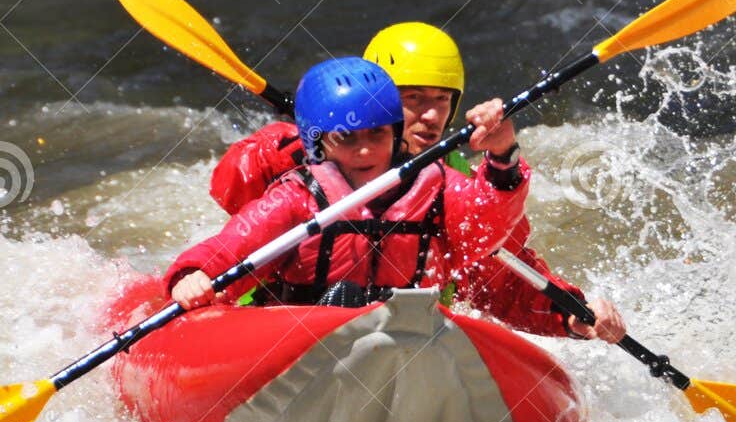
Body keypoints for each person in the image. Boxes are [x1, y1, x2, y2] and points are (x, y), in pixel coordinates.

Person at [206, 23, 628, 342]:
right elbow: (231, 187)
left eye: (441, 100)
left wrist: (569, 312)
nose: (430, 116)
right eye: (413, 99)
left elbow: (501, 274)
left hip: (404, 334)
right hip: (286, 326)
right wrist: (302, 148)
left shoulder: (457, 182)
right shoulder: (299, 152)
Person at [166, 57, 529, 310]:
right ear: (316, 144)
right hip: (305, 337)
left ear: (397, 134)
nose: (366, 149)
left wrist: (502, 157)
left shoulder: (436, 187)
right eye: (347, 138)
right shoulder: (297, 196)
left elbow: (487, 229)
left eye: (377, 133)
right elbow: (234, 245)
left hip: (408, 334)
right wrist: (193, 275)